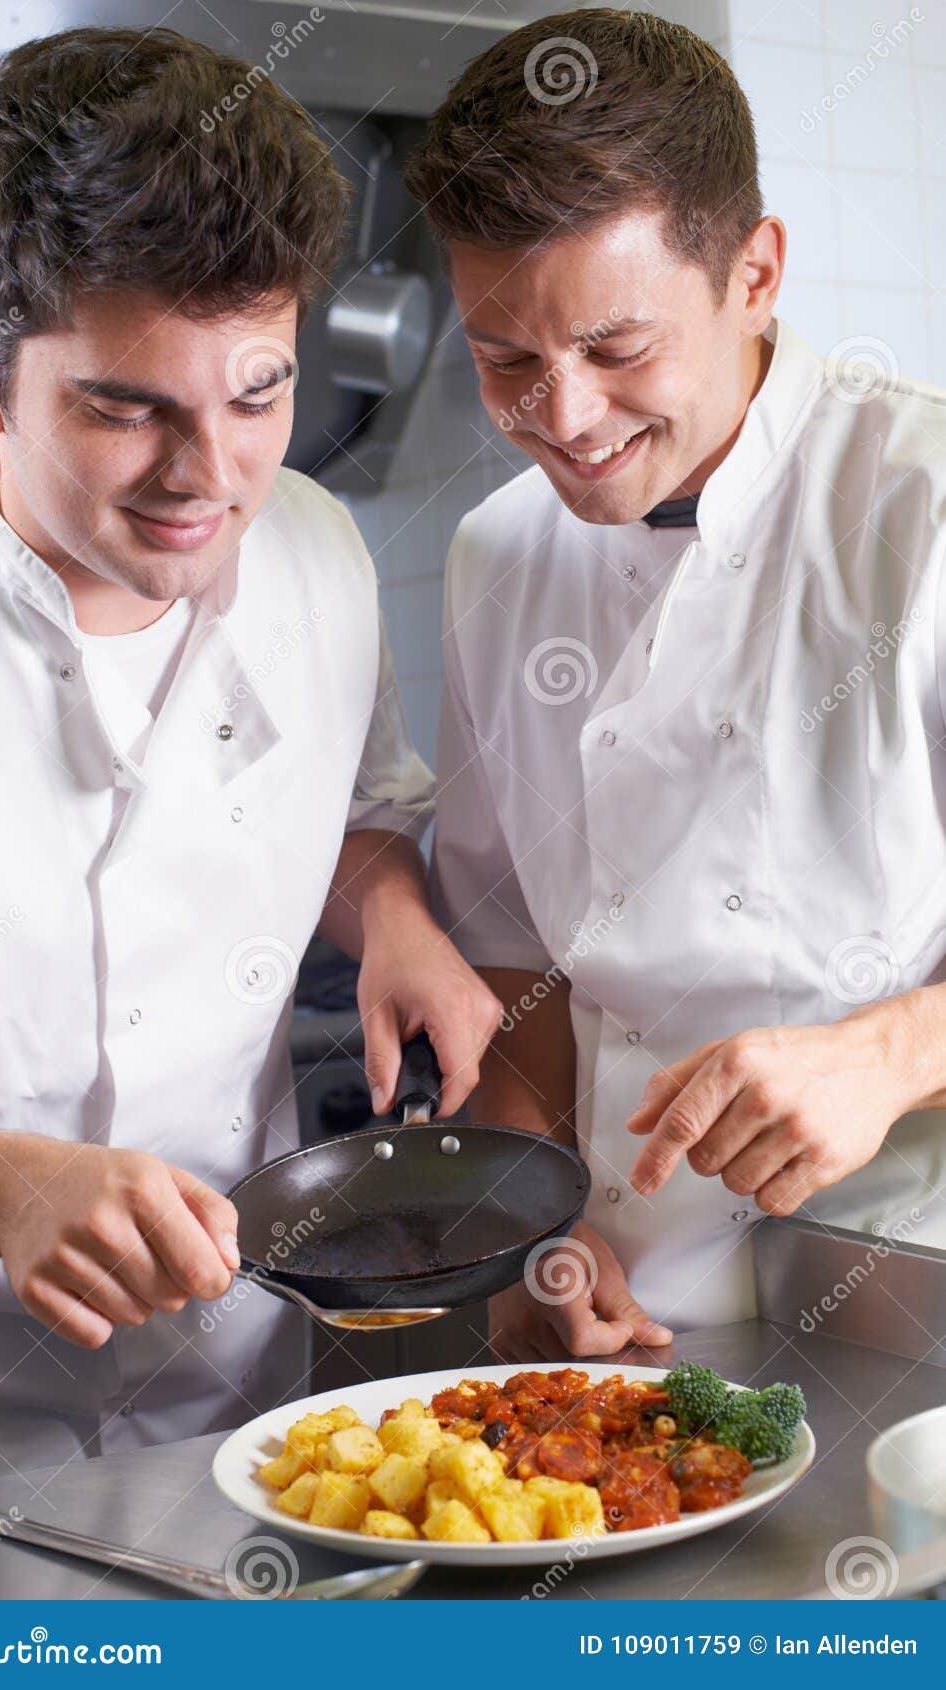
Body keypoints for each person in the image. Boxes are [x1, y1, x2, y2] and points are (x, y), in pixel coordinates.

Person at [0, 27, 500, 1500]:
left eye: (258, 392)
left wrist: (396, 921)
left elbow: (349, 814)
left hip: (241, 1430)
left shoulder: (315, 554)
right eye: (125, 407)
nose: (209, 476)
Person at [404, 7, 946, 1360]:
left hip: (906, 1283)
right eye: (506, 358)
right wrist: (531, 1234)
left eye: (616, 350)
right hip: (629, 1314)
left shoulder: (921, 510)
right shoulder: (495, 559)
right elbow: (519, 970)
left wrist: (888, 1054)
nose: (564, 420)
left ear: (754, 272)